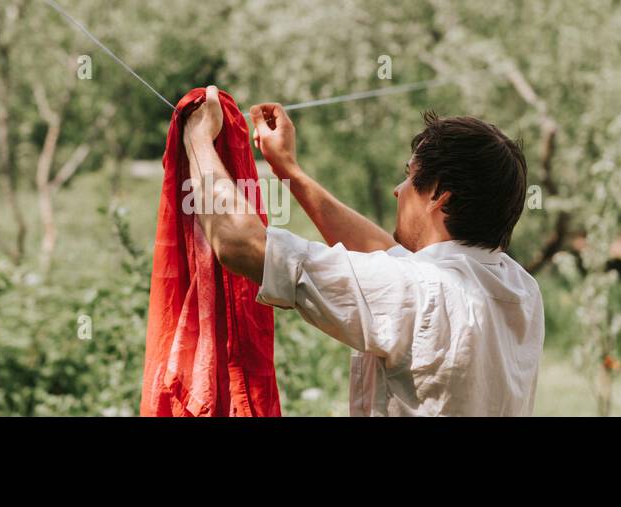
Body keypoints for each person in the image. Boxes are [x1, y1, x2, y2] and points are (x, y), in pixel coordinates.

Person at [183, 85, 544, 416]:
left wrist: (199, 139)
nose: (397, 190)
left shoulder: (417, 291)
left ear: (437, 195)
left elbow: (240, 244)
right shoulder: (521, 289)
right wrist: (288, 170)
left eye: (409, 175)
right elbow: (386, 255)